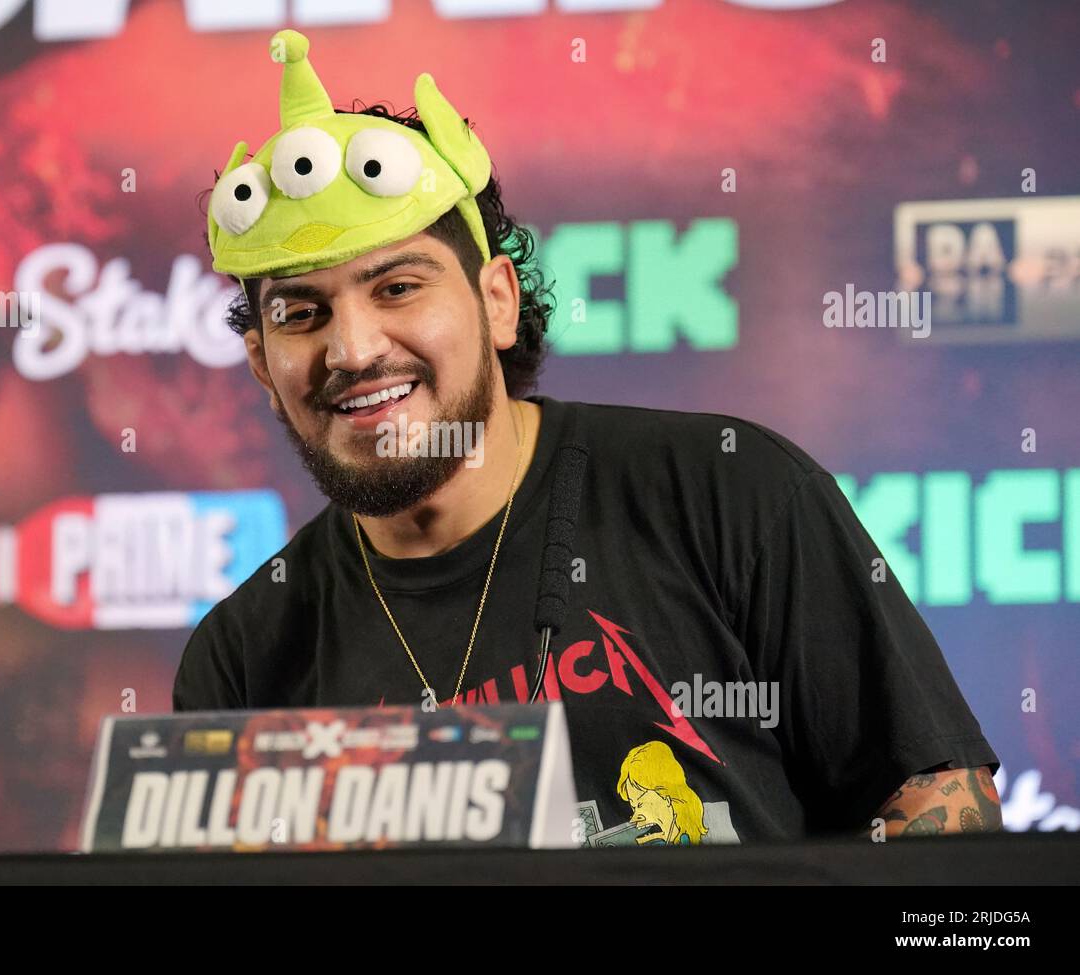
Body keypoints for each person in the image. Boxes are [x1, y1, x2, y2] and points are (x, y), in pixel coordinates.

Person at [174, 29, 1001, 843]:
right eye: (302, 314)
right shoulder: (241, 660)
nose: (352, 350)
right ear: (260, 363)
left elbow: (937, 795)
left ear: (497, 300)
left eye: (396, 287)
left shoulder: (731, 491)